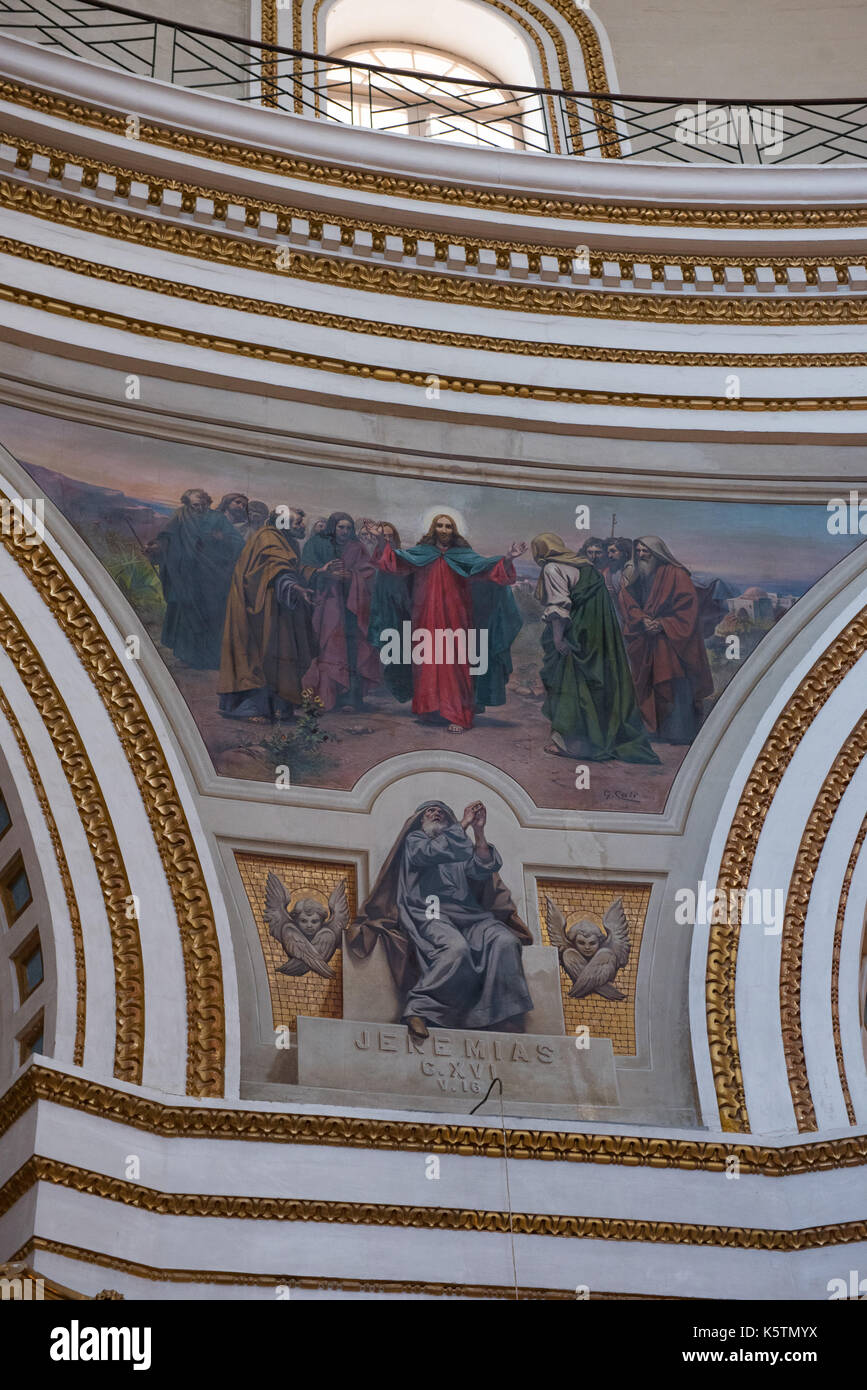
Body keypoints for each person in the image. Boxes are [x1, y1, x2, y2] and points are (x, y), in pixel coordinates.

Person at [346, 799, 533, 1041]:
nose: (435, 814)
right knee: (455, 949)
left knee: (505, 940)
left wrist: (478, 831)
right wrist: (462, 823)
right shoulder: (415, 841)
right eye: (429, 811)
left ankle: (502, 1014)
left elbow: (482, 870)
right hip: (430, 911)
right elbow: (429, 854)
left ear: (448, 821)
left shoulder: (461, 844)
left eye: (441, 812)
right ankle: (419, 1010)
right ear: (420, 820)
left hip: (470, 915)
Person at [367, 513, 525, 734]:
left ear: (454, 531)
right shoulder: (421, 553)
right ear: (433, 529)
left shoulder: (464, 555)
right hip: (424, 617)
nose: (443, 530)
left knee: (455, 663)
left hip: (455, 617)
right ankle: (430, 709)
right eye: (439, 525)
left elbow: (487, 567)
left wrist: (508, 558)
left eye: (448, 526)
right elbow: (393, 562)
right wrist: (381, 541)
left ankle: (458, 714)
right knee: (427, 662)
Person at [530, 533, 658, 764]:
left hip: (577, 630)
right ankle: (598, 738)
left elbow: (559, 609)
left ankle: (573, 745)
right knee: (597, 681)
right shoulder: (584, 564)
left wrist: (558, 639)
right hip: (599, 632)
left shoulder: (552, 569)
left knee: (572, 683)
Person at [218, 506, 335, 722]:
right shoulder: (267, 538)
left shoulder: (285, 540)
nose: (302, 527)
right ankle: (252, 708)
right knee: (261, 656)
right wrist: (295, 588)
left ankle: (281, 706)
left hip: (279, 609)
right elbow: (272, 570)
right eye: (297, 522)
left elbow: (290, 569)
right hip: (260, 610)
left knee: (284, 655)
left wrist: (318, 572)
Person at [618, 535, 714, 743]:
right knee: (647, 686)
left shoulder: (677, 575)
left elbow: (688, 609)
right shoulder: (635, 574)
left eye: (646, 551)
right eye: (639, 551)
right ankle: (651, 731)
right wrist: (641, 620)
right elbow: (627, 600)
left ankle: (679, 733)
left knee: (674, 683)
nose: (642, 555)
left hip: (671, 643)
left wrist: (663, 624)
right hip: (646, 640)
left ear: (658, 553)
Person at [147, 488, 243, 669]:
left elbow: (237, 542)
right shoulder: (181, 516)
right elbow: (167, 538)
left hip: (211, 577)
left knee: (211, 615)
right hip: (185, 575)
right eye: (194, 505)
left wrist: (221, 538)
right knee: (185, 613)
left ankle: (210, 659)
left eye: (202, 504)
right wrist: (156, 547)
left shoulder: (217, 519)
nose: (199, 508)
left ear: (208, 502)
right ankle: (186, 656)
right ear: (187, 504)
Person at [301, 512, 380, 712]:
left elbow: (368, 572)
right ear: (333, 527)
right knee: (326, 647)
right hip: (326, 604)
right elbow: (304, 569)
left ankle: (350, 699)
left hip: (352, 606)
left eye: (348, 528)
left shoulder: (357, 547)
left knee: (352, 651)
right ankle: (322, 697)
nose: (345, 532)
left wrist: (351, 577)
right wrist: (325, 573)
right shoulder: (318, 544)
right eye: (341, 527)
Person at [366, 522, 413, 704]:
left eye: (389, 536)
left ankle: (402, 689)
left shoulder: (401, 557)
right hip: (382, 610)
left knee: (401, 652)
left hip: (401, 612)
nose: (386, 539)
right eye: (383, 536)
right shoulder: (379, 556)